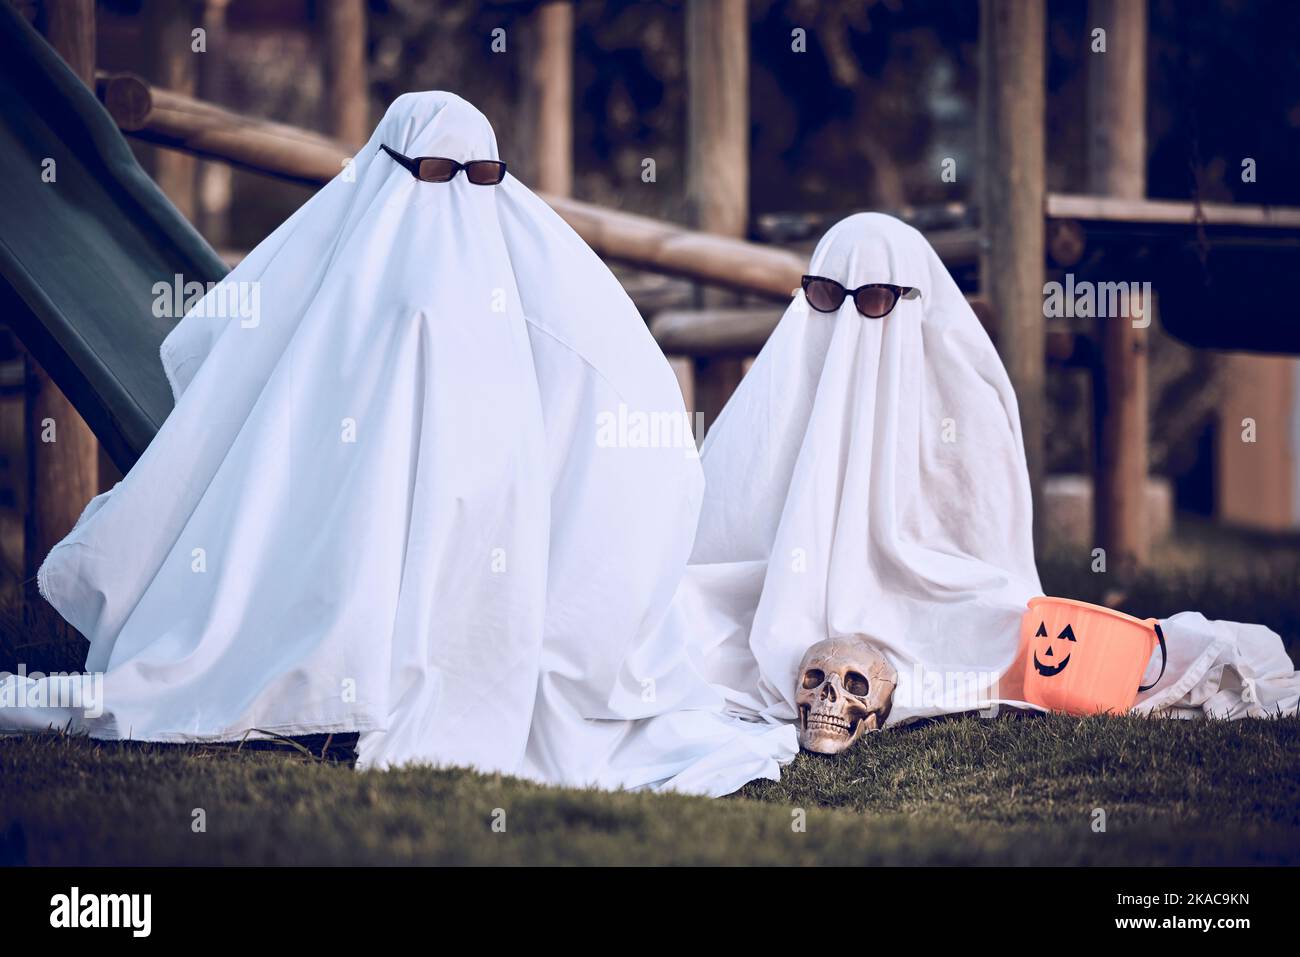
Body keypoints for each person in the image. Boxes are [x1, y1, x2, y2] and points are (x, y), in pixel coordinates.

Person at [3, 92, 788, 792]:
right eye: (437, 171)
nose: (455, 198)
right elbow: (247, 418)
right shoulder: (328, 306)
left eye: (479, 178)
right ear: (388, 170)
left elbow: (627, 436)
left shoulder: (547, 308)